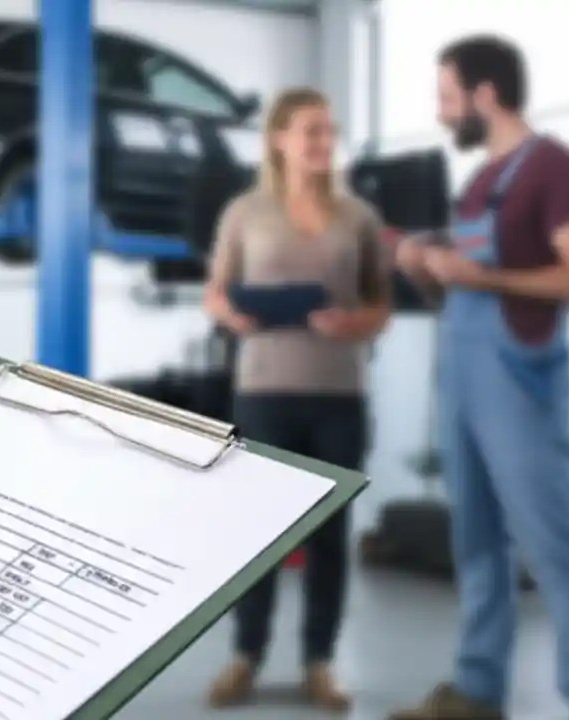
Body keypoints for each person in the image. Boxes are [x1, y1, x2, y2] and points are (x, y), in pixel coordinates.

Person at [388, 36, 569, 720]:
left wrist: (477, 274)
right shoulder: (479, 183)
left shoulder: (555, 170)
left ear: (486, 94)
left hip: (519, 378)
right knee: (476, 540)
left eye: (447, 97)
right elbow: (464, 287)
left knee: (554, 550)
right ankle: (479, 689)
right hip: (462, 369)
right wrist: (426, 270)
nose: (440, 114)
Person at [203, 87, 392, 712]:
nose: (322, 142)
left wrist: (352, 325)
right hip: (264, 390)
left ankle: (319, 663)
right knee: (258, 534)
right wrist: (235, 316)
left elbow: (379, 306)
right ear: (280, 140)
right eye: (310, 131)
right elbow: (216, 295)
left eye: (328, 131)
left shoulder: (357, 218)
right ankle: (246, 656)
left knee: (331, 538)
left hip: (338, 394)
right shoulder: (245, 212)